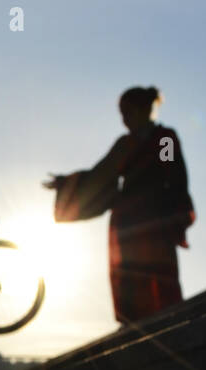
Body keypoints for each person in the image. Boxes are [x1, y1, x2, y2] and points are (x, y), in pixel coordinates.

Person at [47, 86, 194, 324]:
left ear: (143, 110)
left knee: (160, 276)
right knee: (129, 277)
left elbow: (172, 172)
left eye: (127, 111)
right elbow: (101, 175)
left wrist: (169, 209)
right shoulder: (125, 144)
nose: (123, 118)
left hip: (155, 220)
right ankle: (132, 327)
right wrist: (66, 183)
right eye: (121, 113)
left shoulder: (164, 139)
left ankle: (169, 322)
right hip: (127, 222)